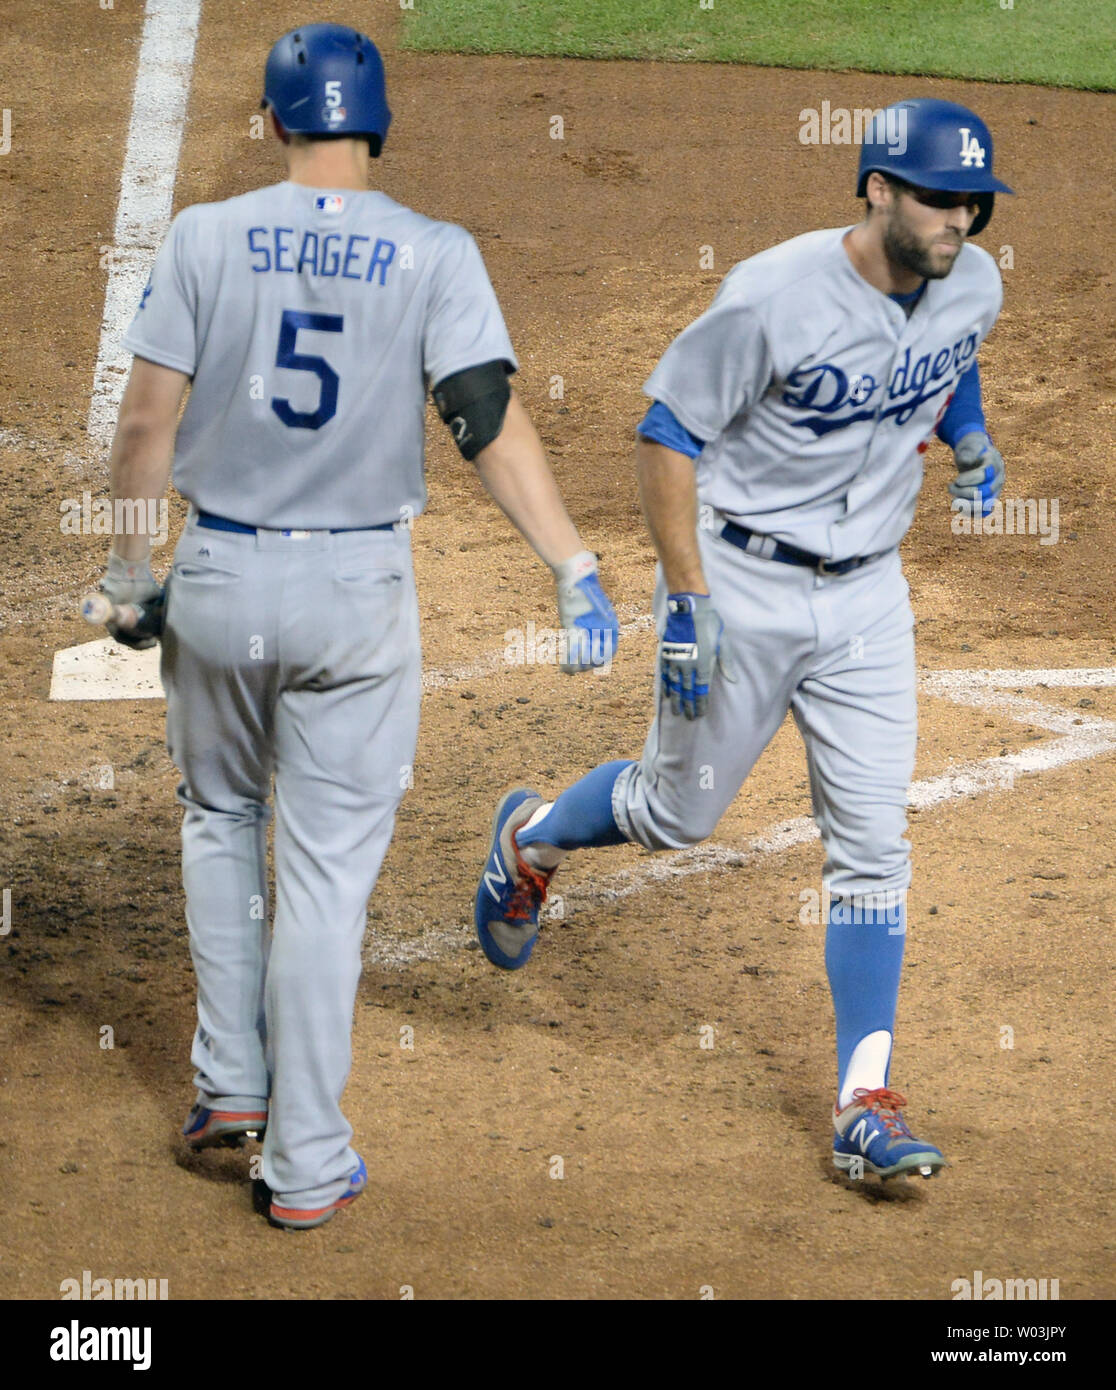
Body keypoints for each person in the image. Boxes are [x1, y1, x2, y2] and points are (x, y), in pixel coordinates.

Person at [96, 22, 618, 1230]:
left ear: (274, 122)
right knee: (325, 884)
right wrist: (573, 563)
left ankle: (230, 1093)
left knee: (219, 819)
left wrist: (131, 577)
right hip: (356, 598)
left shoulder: (203, 236)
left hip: (220, 579)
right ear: (377, 125)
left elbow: (141, 428)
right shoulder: (436, 252)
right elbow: (484, 419)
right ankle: (306, 1166)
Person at [475, 98, 1012, 1181]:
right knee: (676, 814)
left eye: (972, 201)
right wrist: (688, 599)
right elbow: (668, 432)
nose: (957, 219)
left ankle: (865, 1102)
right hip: (743, 584)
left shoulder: (975, 286)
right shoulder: (774, 295)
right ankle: (530, 838)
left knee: (872, 849)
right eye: (936, 198)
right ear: (875, 187)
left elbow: (951, 356)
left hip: (867, 603)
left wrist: (969, 435)